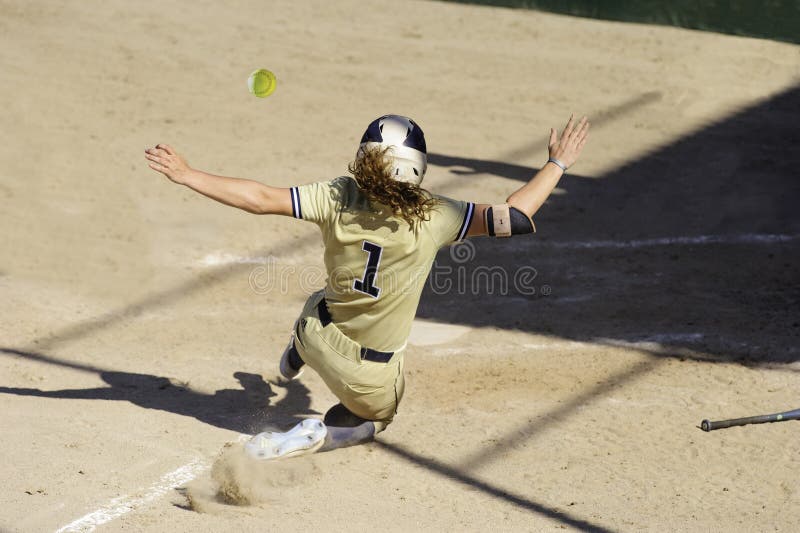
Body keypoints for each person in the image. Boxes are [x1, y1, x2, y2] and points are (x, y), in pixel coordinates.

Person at [145, 113, 589, 459]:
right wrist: (557, 161)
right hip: (369, 376)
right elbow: (515, 217)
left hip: (320, 332)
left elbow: (259, 199)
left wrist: (189, 174)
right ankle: (317, 436)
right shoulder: (437, 215)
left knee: (319, 298)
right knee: (374, 419)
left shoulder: (339, 195)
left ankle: (297, 352)